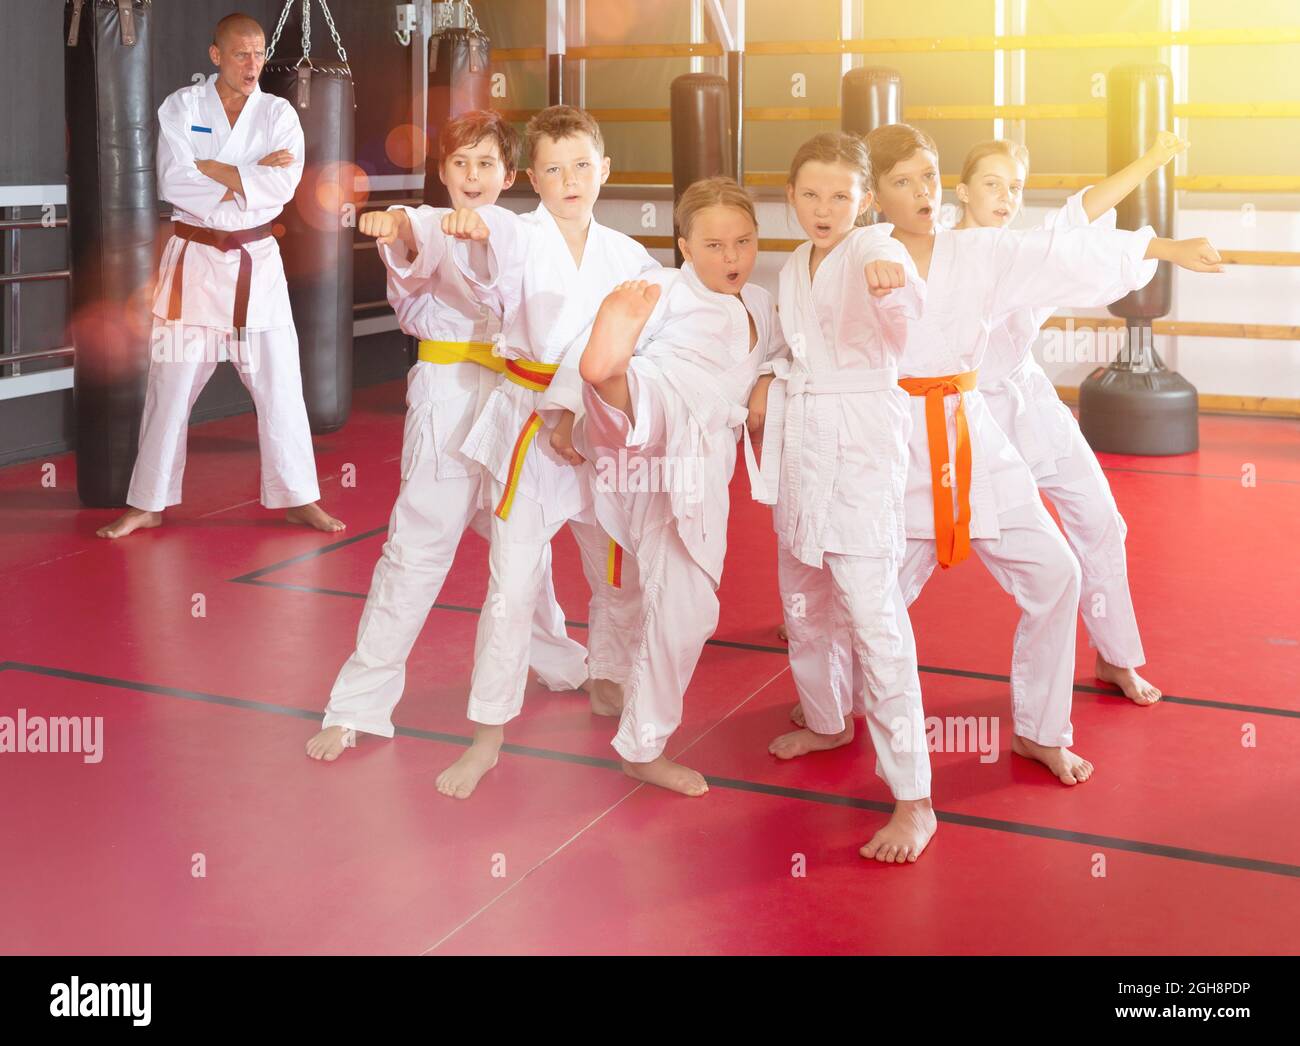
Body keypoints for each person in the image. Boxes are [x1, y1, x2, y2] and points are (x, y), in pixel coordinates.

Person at [306, 111, 591, 763]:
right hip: (446, 399)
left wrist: (483, 234)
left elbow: (515, 276)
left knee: (524, 548)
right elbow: (413, 237)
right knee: (414, 551)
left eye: (487, 164)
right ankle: (358, 705)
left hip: (514, 399)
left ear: (510, 175)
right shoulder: (426, 220)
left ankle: (560, 661)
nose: (472, 176)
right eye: (460, 163)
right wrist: (395, 226)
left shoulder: (523, 232)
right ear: (442, 171)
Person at [433, 106, 660, 799]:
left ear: (605, 170)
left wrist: (579, 404)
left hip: (601, 434)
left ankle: (610, 677)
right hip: (531, 427)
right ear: (530, 177)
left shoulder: (629, 255)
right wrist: (468, 229)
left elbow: (649, 336)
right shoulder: (514, 234)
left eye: (582, 166)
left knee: (618, 571)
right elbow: (483, 250)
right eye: (553, 169)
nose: (569, 181)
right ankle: (487, 733)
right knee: (511, 581)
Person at [97, 13, 341, 539]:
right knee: (170, 386)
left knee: (281, 387)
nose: (253, 64)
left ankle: (299, 497)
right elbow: (174, 180)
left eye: (258, 54)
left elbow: (283, 185)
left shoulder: (279, 114)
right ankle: (148, 501)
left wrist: (216, 169)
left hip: (258, 267)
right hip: (193, 266)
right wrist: (246, 176)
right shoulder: (181, 107)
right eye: (240, 54)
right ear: (215, 56)